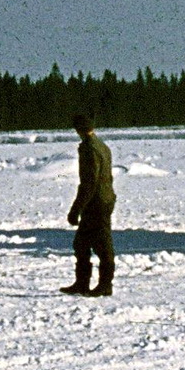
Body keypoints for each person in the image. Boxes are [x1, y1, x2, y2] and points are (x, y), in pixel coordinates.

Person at [63, 111, 116, 297]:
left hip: (97, 202)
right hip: (103, 199)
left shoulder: (89, 148)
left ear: (78, 129)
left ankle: (104, 285)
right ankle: (82, 283)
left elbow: (89, 183)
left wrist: (76, 209)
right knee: (82, 243)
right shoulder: (101, 145)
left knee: (101, 245)